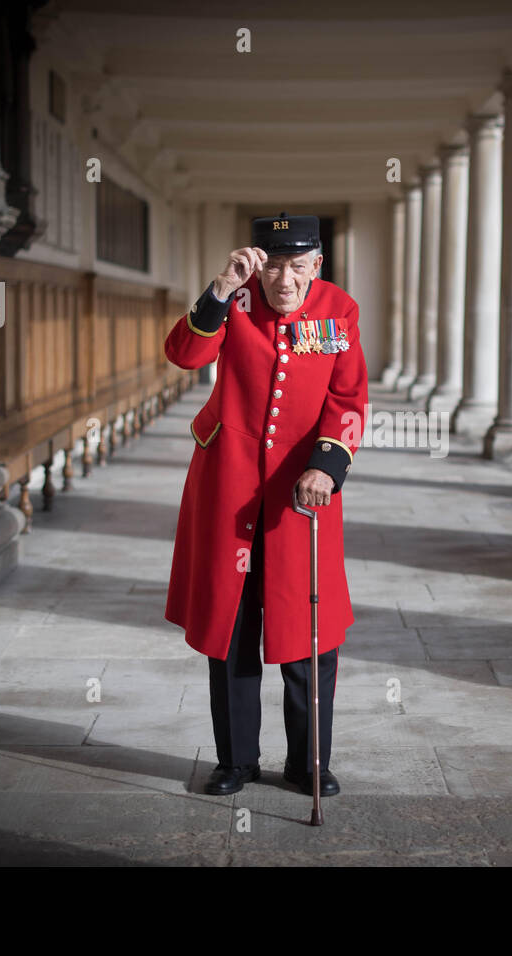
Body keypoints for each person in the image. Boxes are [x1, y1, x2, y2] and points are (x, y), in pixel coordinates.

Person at [163, 212, 368, 796]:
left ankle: (308, 763)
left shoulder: (339, 310)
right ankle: (236, 760)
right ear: (258, 263)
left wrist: (328, 466)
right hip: (228, 485)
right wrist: (222, 288)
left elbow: (348, 396)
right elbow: (184, 355)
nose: (284, 281)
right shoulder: (238, 300)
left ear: (317, 265)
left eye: (297, 268)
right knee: (231, 626)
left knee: (309, 630)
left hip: (302, 494)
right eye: (274, 267)